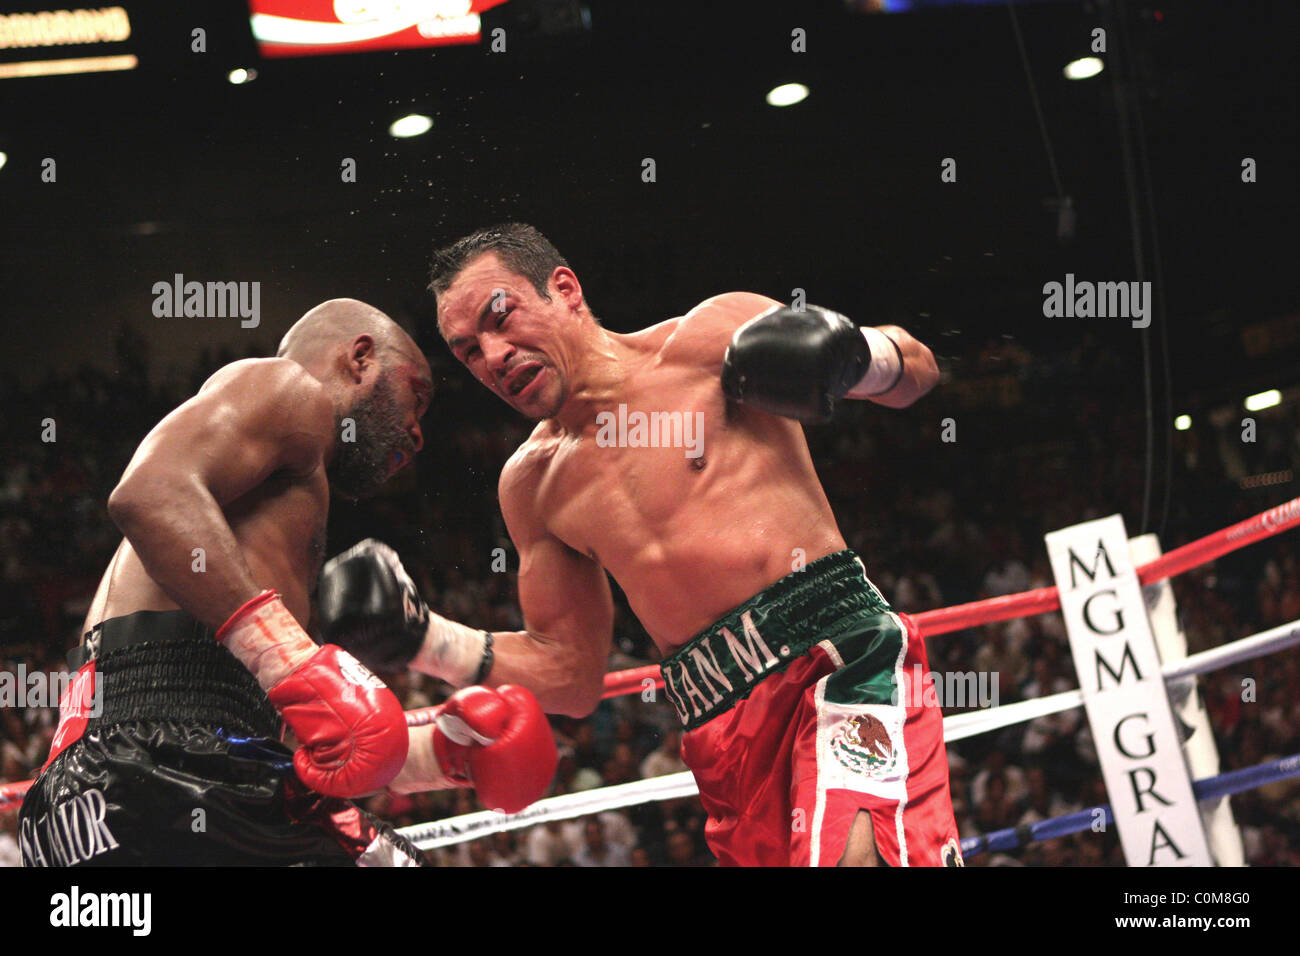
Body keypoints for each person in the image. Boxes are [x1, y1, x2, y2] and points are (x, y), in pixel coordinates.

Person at [320, 224, 962, 866]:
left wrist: (856, 354)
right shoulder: (532, 483)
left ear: (564, 289)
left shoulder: (710, 339)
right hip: (720, 726)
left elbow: (920, 369)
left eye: (501, 316)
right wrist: (424, 637)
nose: (493, 355)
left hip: (839, 657)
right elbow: (570, 676)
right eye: (467, 352)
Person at [19, 298, 553, 866]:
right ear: (360, 358)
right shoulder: (290, 390)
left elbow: (291, 741)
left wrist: (436, 755)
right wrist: (291, 661)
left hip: (89, 804)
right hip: (163, 768)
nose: (418, 433)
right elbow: (149, 492)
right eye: (415, 396)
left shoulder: (261, 546)